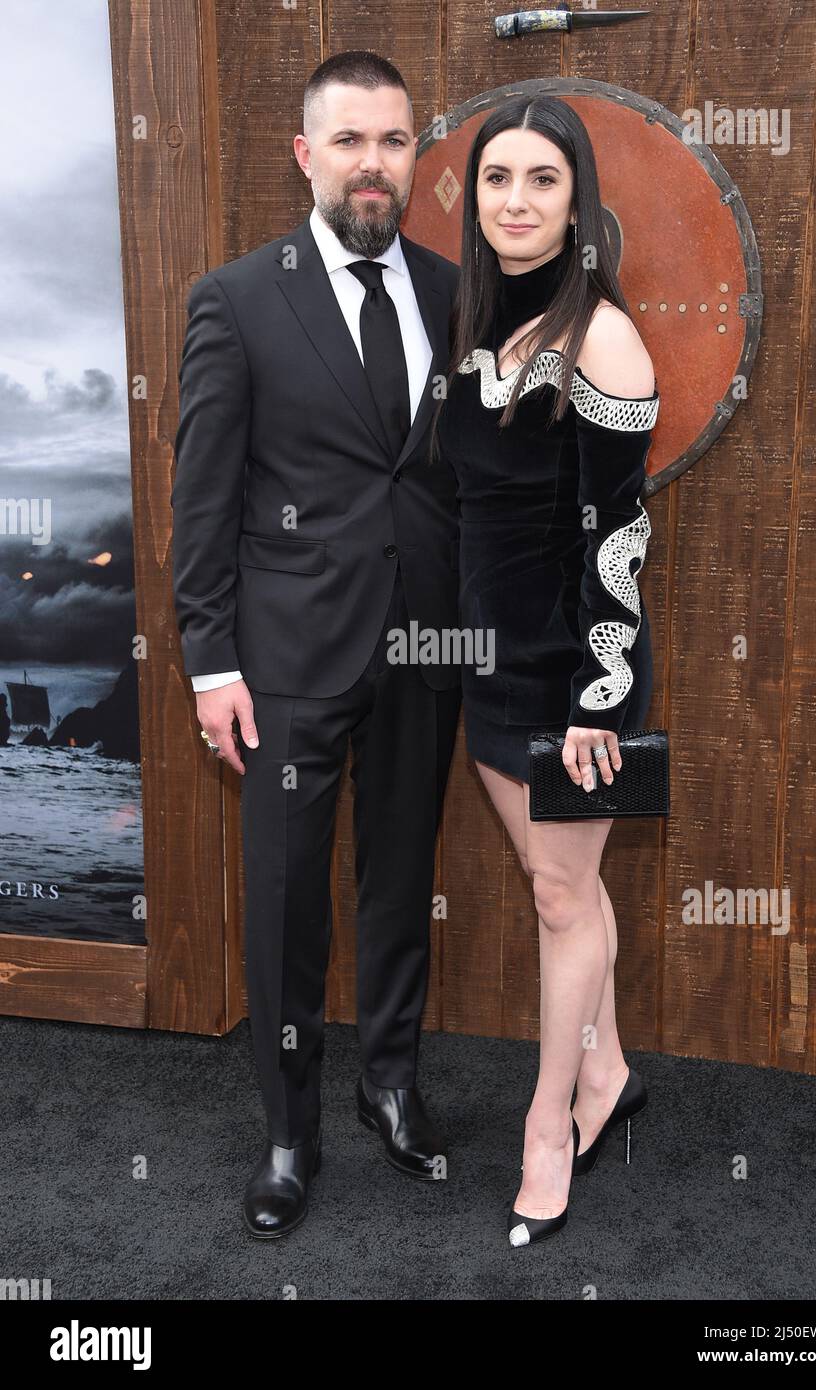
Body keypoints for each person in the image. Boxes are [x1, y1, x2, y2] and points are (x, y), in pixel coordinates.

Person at [171, 51, 462, 1238]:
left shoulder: (455, 293)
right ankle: (289, 1132)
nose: (373, 163)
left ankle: (388, 1083)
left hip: (427, 645)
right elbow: (202, 495)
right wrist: (209, 659)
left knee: (401, 882)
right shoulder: (236, 299)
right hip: (285, 659)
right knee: (290, 901)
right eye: (349, 141)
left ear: (414, 156)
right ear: (306, 154)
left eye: (393, 141)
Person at [434, 94, 659, 1246]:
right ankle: (609, 1066)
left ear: (578, 206)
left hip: (575, 676)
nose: (515, 200)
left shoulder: (601, 335)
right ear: (474, 200)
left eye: (542, 181)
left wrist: (600, 698)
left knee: (562, 899)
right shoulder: (479, 326)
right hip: (487, 665)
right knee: (560, 891)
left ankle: (547, 1126)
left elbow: (616, 538)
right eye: (496, 179)